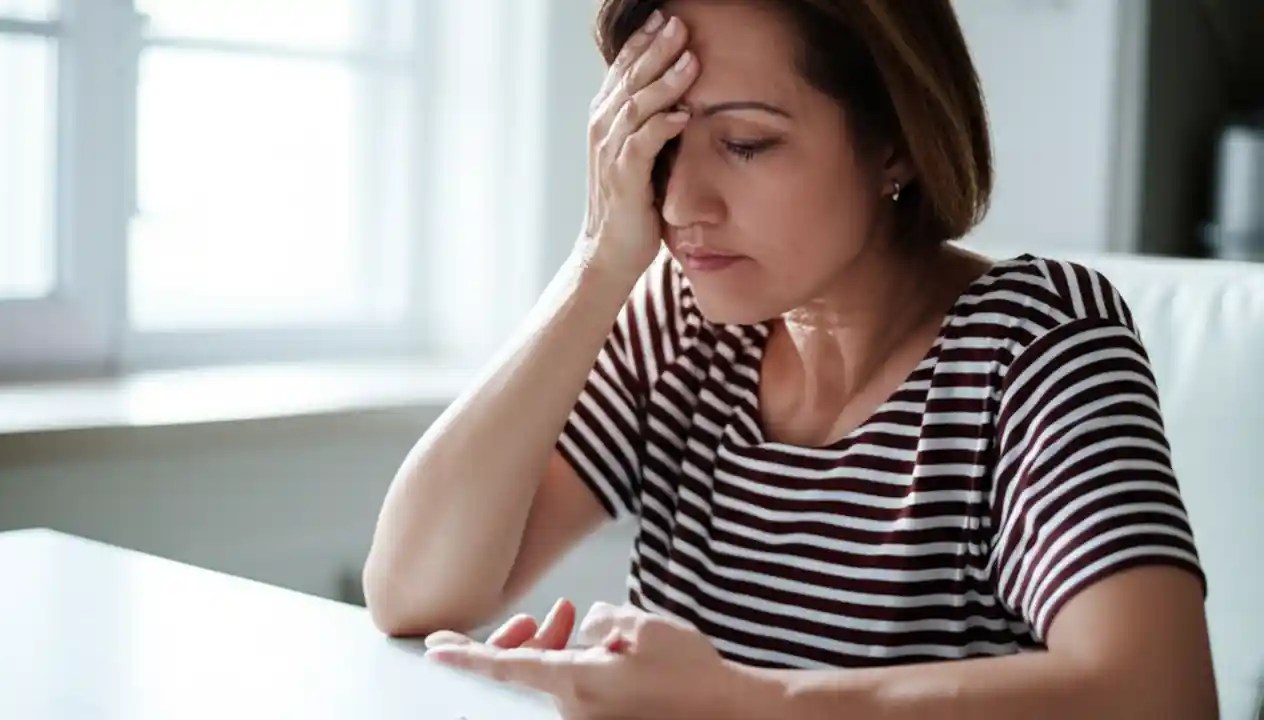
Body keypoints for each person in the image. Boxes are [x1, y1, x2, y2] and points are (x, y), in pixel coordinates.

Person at [362, 1, 1218, 717]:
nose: (682, 203)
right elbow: (411, 591)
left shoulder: (1035, 343)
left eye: (745, 143)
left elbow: (1163, 695)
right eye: (660, 140)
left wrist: (746, 704)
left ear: (896, 141)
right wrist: (599, 261)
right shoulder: (683, 325)